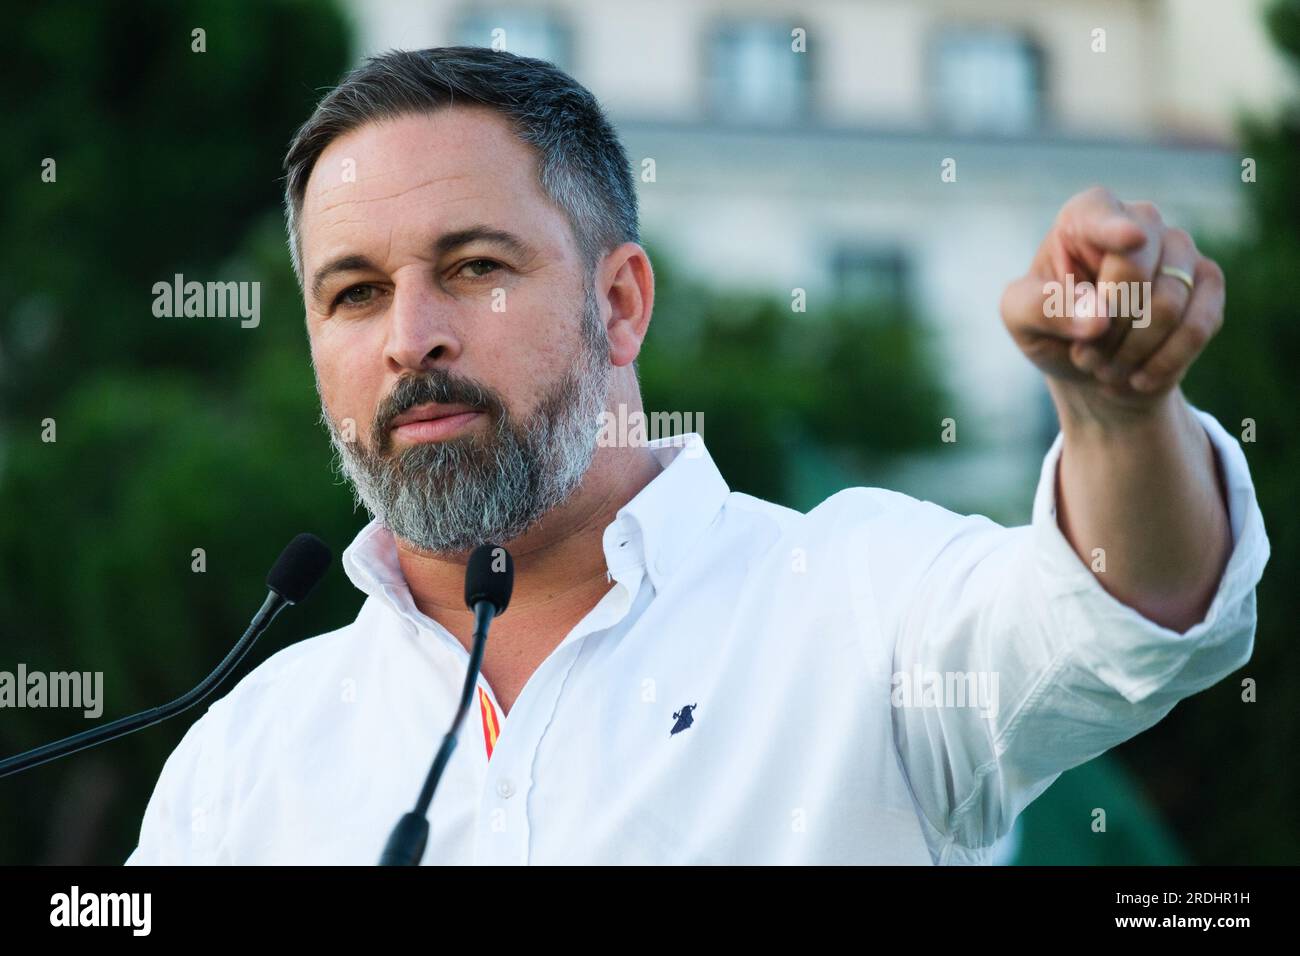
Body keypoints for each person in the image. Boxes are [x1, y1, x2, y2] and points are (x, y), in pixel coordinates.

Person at [125, 47, 1268, 865]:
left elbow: (1127, 617)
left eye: (475, 265)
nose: (408, 334)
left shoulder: (860, 603)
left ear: (619, 303)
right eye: (355, 292)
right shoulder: (241, 756)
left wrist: (1118, 415)